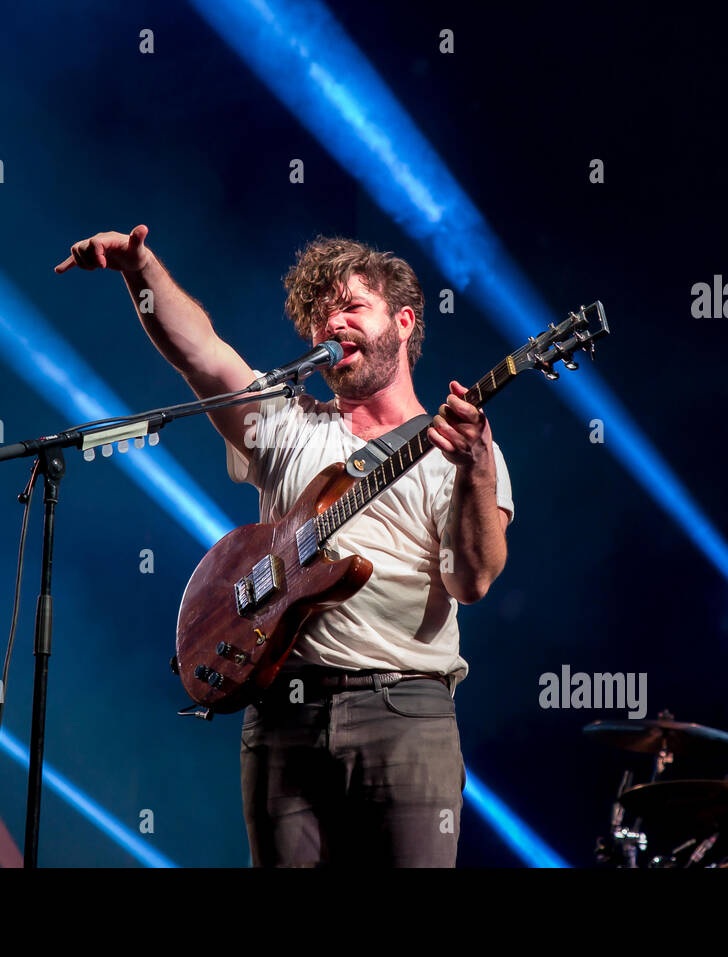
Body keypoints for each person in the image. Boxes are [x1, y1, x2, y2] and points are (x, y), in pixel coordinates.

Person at [57, 225, 514, 866]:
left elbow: (474, 580)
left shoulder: (462, 450)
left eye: (352, 307)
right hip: (282, 713)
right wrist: (141, 271)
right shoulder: (290, 424)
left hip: (404, 713)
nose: (335, 324)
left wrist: (476, 469)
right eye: (322, 317)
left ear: (404, 321)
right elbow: (201, 354)